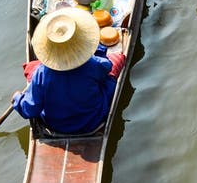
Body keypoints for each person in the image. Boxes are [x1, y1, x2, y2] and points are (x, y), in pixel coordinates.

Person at [12, 8, 125, 136]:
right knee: (112, 73)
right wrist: (97, 48)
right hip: (92, 121)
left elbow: (30, 109)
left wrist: (17, 99)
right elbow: (107, 66)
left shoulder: (41, 73)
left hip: (56, 125)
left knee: (31, 70)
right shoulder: (93, 64)